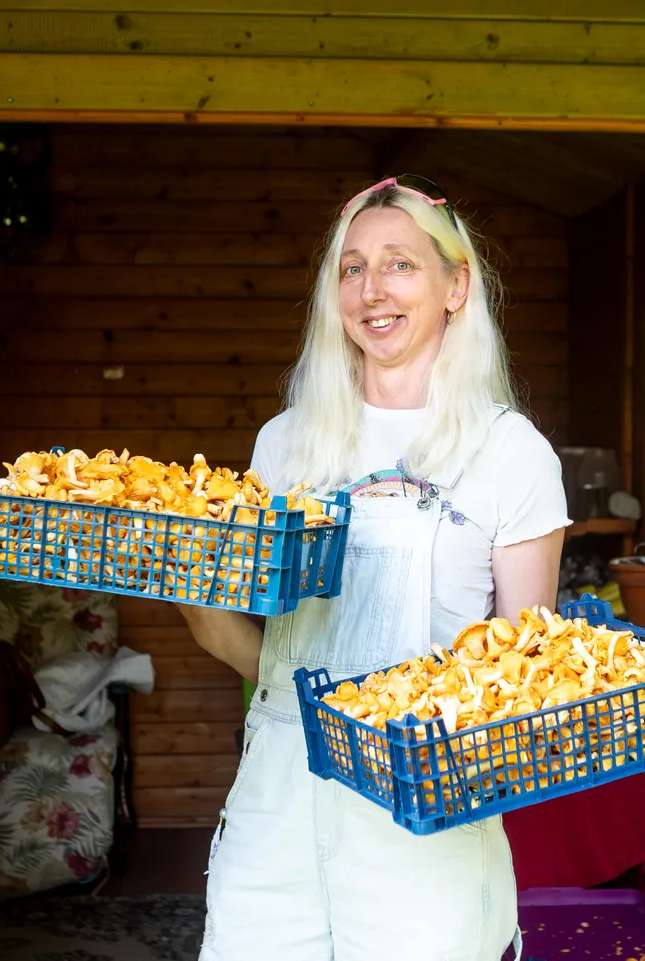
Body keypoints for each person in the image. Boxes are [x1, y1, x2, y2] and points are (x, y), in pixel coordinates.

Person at [179, 174, 570, 961]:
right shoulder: (286, 443)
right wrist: (177, 574)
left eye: (399, 264)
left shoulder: (510, 452)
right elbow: (226, 633)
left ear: (456, 285)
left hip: (426, 795)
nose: (371, 289)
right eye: (351, 268)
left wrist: (407, 741)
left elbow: (526, 673)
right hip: (281, 788)